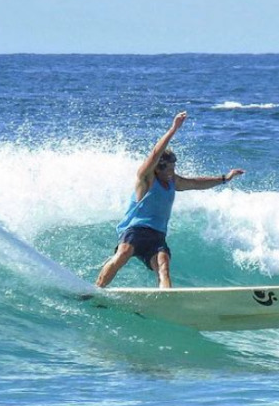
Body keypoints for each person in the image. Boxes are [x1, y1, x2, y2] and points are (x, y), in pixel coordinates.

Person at [95, 111, 244, 288]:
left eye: (174, 168)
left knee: (163, 266)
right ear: (157, 168)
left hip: (157, 235)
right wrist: (173, 129)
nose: (172, 172)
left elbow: (196, 183)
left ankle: (166, 297)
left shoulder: (173, 181)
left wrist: (224, 178)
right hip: (135, 229)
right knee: (123, 254)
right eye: (168, 169)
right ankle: (96, 289)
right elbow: (155, 154)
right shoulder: (146, 179)